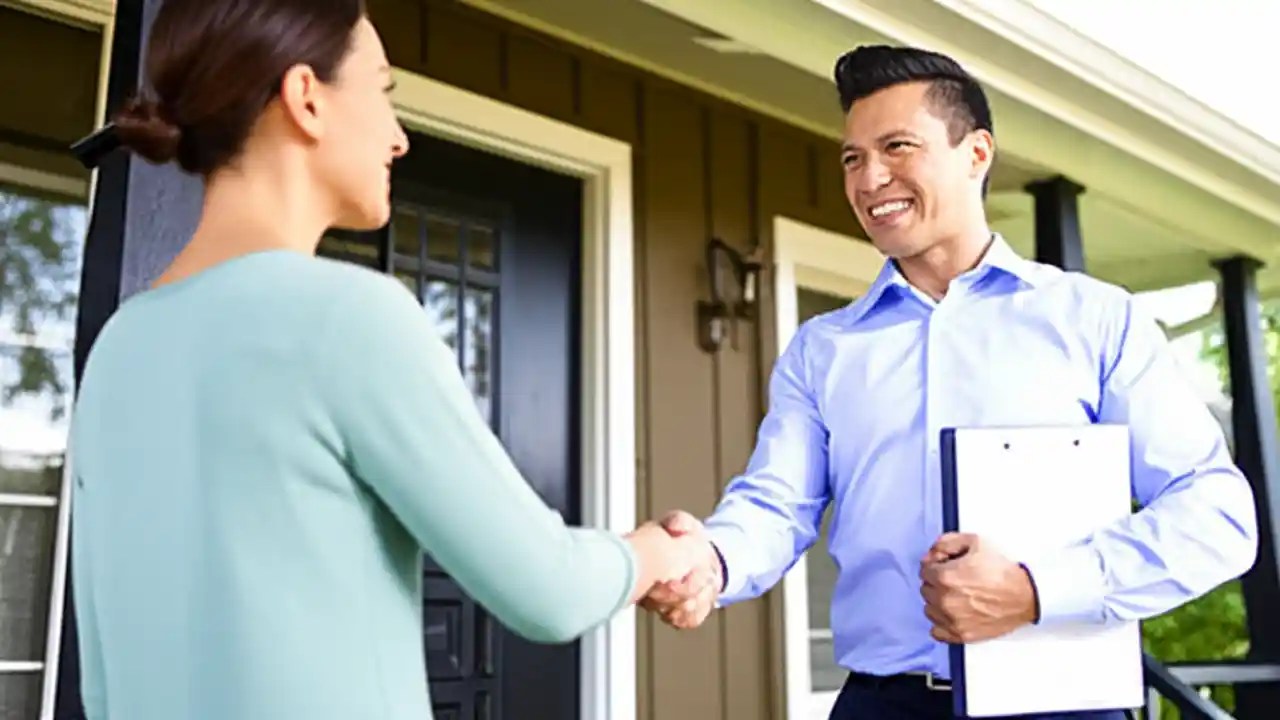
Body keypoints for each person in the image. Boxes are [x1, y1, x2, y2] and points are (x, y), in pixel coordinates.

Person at [67, 2, 709, 719]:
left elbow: (101, 670)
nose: (399, 138)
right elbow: (548, 590)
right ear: (306, 97)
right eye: (383, 90)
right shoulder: (348, 319)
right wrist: (660, 551)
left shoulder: (120, 346)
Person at [639, 44, 1259, 720]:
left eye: (897, 147)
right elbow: (774, 506)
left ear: (977, 154)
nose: (869, 179)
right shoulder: (824, 349)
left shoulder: (1095, 321)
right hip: (880, 706)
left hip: (1061, 705)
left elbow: (1216, 516)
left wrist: (1035, 589)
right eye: (852, 158)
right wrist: (712, 558)